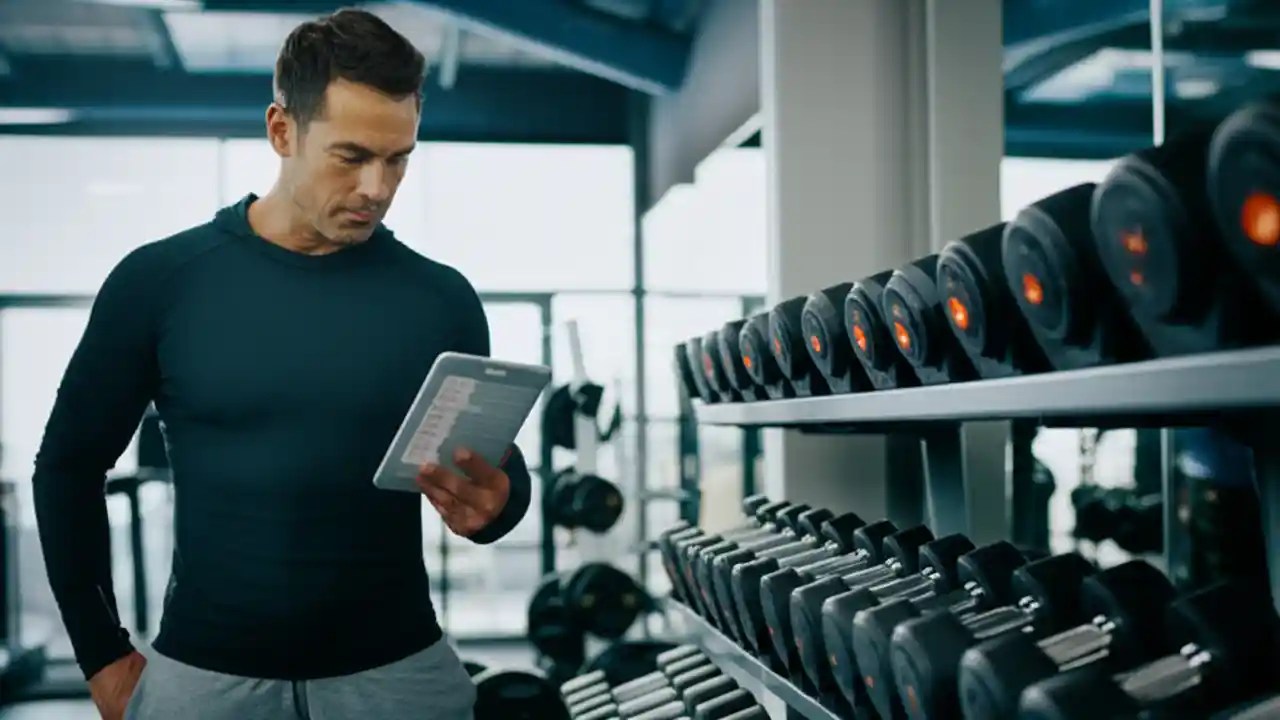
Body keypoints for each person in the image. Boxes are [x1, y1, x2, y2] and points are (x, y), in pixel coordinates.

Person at [31, 8, 530, 720]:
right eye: (351, 156)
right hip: (205, 680)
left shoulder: (439, 300)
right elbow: (67, 467)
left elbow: (492, 468)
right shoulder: (161, 282)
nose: (377, 187)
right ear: (281, 131)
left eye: (398, 159)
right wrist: (101, 655)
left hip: (398, 676)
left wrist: (499, 506)